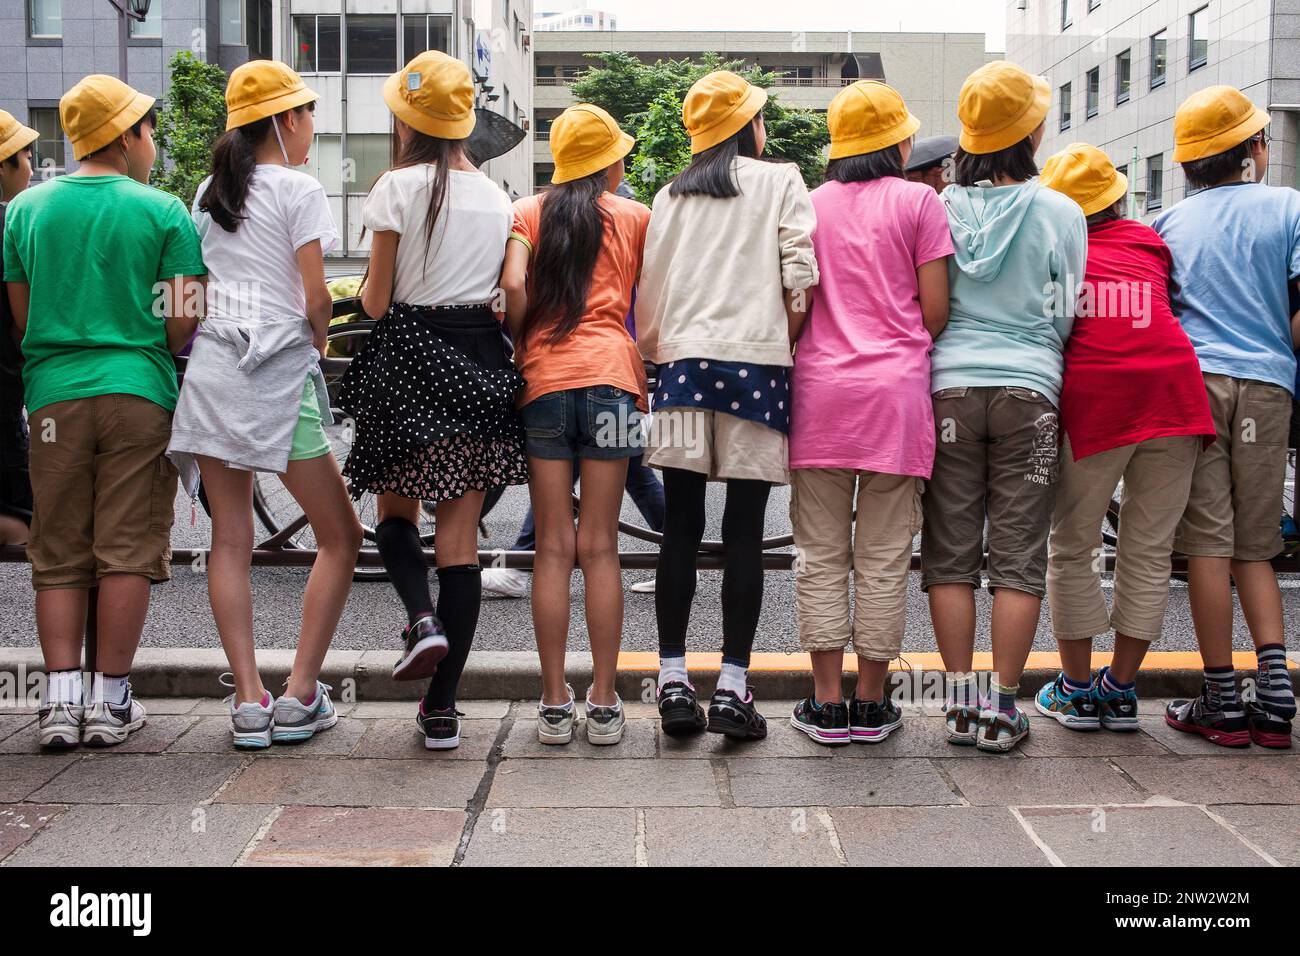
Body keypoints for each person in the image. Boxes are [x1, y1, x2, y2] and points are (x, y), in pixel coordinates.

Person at [3, 76, 206, 748]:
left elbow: (23, 316)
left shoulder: (25, 211)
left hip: (54, 398)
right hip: (137, 394)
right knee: (125, 549)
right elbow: (183, 319)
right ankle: (111, 701)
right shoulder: (164, 211)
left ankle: (59, 703)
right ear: (125, 135)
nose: (151, 145)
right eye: (148, 131)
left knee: (57, 548)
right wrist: (141, 341)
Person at [167, 61, 363, 748]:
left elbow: (190, 292)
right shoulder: (300, 188)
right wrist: (316, 340)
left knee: (228, 540)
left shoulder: (207, 188)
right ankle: (300, 693)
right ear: (284, 120)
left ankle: (248, 701)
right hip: (277, 376)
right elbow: (317, 296)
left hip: (214, 373)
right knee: (341, 536)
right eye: (307, 111)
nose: (312, 125)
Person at [338, 51, 527, 750]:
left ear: (405, 120)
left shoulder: (395, 187)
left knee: (393, 512)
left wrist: (361, 291)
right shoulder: (498, 198)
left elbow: (377, 299)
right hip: (478, 358)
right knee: (460, 544)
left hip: (411, 359)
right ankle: (441, 711)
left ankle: (422, 620)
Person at [637, 70, 818, 740]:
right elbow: (800, 276)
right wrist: (781, 341)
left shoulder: (670, 196)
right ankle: (734, 689)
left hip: (682, 368)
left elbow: (649, 295)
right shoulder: (782, 180)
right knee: (745, 529)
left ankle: (673, 681)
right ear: (749, 126)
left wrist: (663, 354)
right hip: (757, 368)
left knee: (679, 527)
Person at [921, 61, 1086, 753]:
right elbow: (1068, 311)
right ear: (1033, 130)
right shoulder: (1060, 210)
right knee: (1019, 555)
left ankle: (958, 706)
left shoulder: (940, 209)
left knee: (951, 553)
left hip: (949, 390)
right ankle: (1003, 707)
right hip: (1031, 395)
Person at [787, 81, 950, 746]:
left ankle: (826, 706)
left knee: (819, 555)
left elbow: (794, 301)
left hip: (819, 397)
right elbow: (934, 311)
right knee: (884, 558)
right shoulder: (921, 202)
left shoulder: (809, 205)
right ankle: (872, 703)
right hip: (896, 399)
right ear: (898, 143)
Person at [1037, 143, 1215, 732]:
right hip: (1175, 393)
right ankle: (1122, 688)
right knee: (1149, 547)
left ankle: (1078, 690)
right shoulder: (1148, 241)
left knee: (1074, 543)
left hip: (1098, 402)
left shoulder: (1059, 251)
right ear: (1116, 198)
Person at [499, 103, 651, 745]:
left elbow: (510, 285)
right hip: (614, 383)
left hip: (545, 386)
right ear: (608, 161)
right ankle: (606, 700)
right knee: (601, 547)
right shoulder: (637, 216)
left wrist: (526, 337)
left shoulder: (528, 212)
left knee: (554, 548)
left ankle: (554, 701)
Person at [1153, 86, 1300, 748]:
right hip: (1269, 388)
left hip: (1196, 388)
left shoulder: (1168, 224)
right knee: (1257, 544)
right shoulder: (1292, 208)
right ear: (1254, 150)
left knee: (1207, 543)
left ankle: (1221, 698)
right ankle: (1275, 694)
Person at [0, 111, 38, 550]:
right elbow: (23, 321)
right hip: (4, 400)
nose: (31, 165)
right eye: (25, 156)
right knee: (23, 523)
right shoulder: (12, 226)